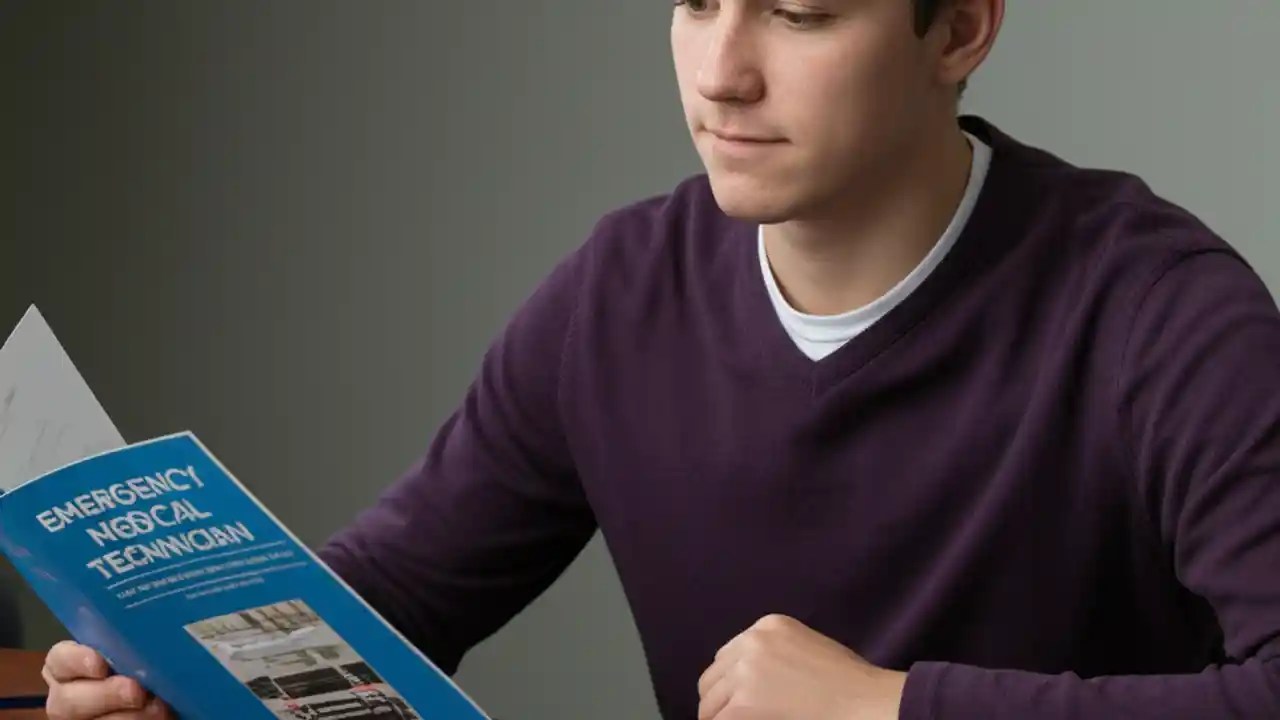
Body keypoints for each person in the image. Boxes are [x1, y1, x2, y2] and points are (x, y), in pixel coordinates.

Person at [40, 0, 1280, 718]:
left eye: (798, 11)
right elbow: (404, 595)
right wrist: (188, 669)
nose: (720, 73)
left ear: (957, 27)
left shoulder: (1161, 313)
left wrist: (891, 709)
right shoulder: (620, 290)